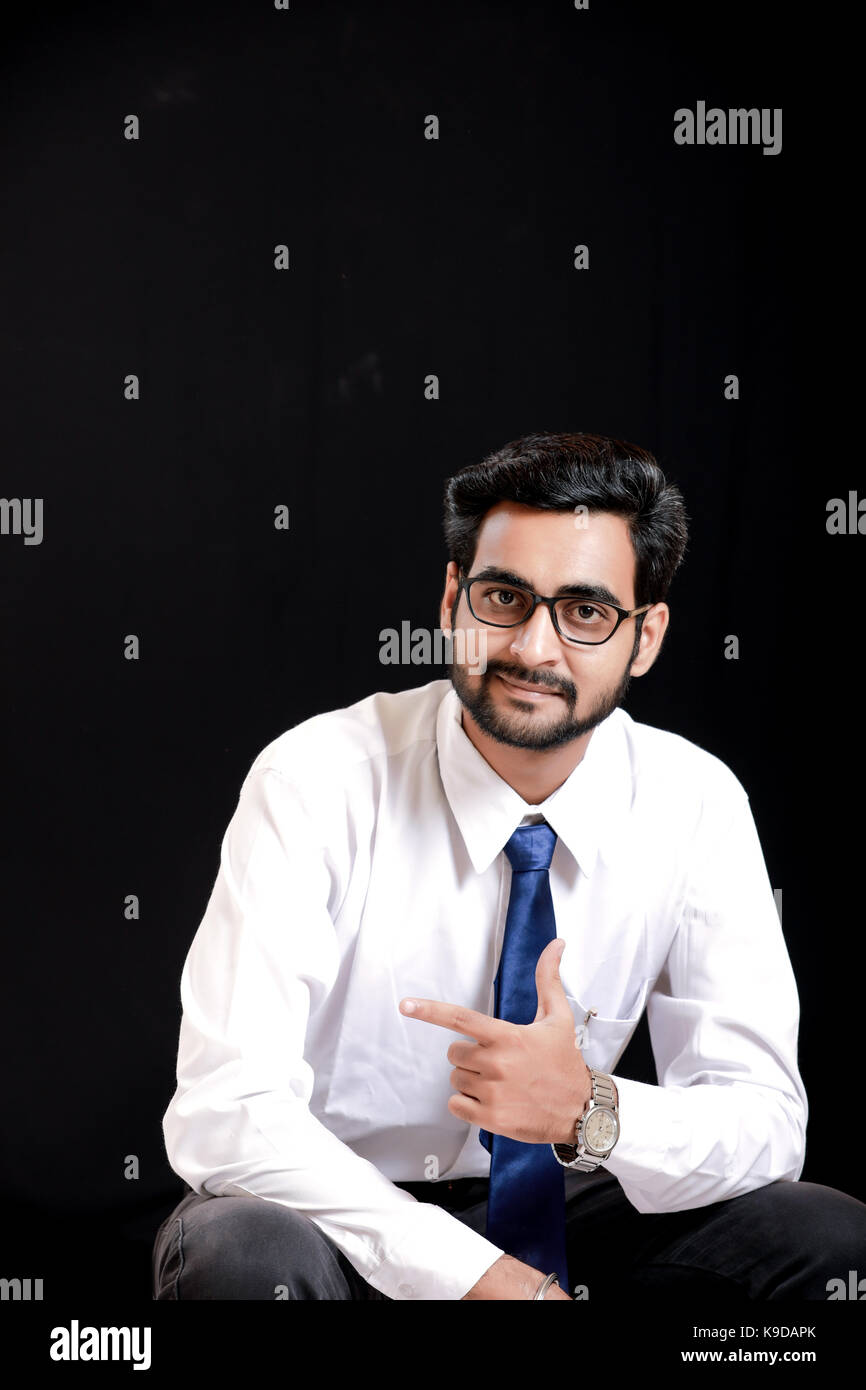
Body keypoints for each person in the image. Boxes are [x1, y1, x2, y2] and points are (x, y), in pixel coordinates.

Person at [152, 431, 866, 1301]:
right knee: (243, 1256)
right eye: (504, 598)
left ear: (645, 638)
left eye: (586, 611)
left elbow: (764, 1120)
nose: (534, 648)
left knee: (830, 1240)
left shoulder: (695, 801)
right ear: (453, 597)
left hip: (576, 1214)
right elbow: (227, 1110)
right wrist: (481, 1279)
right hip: (338, 1220)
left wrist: (590, 1112)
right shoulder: (316, 780)